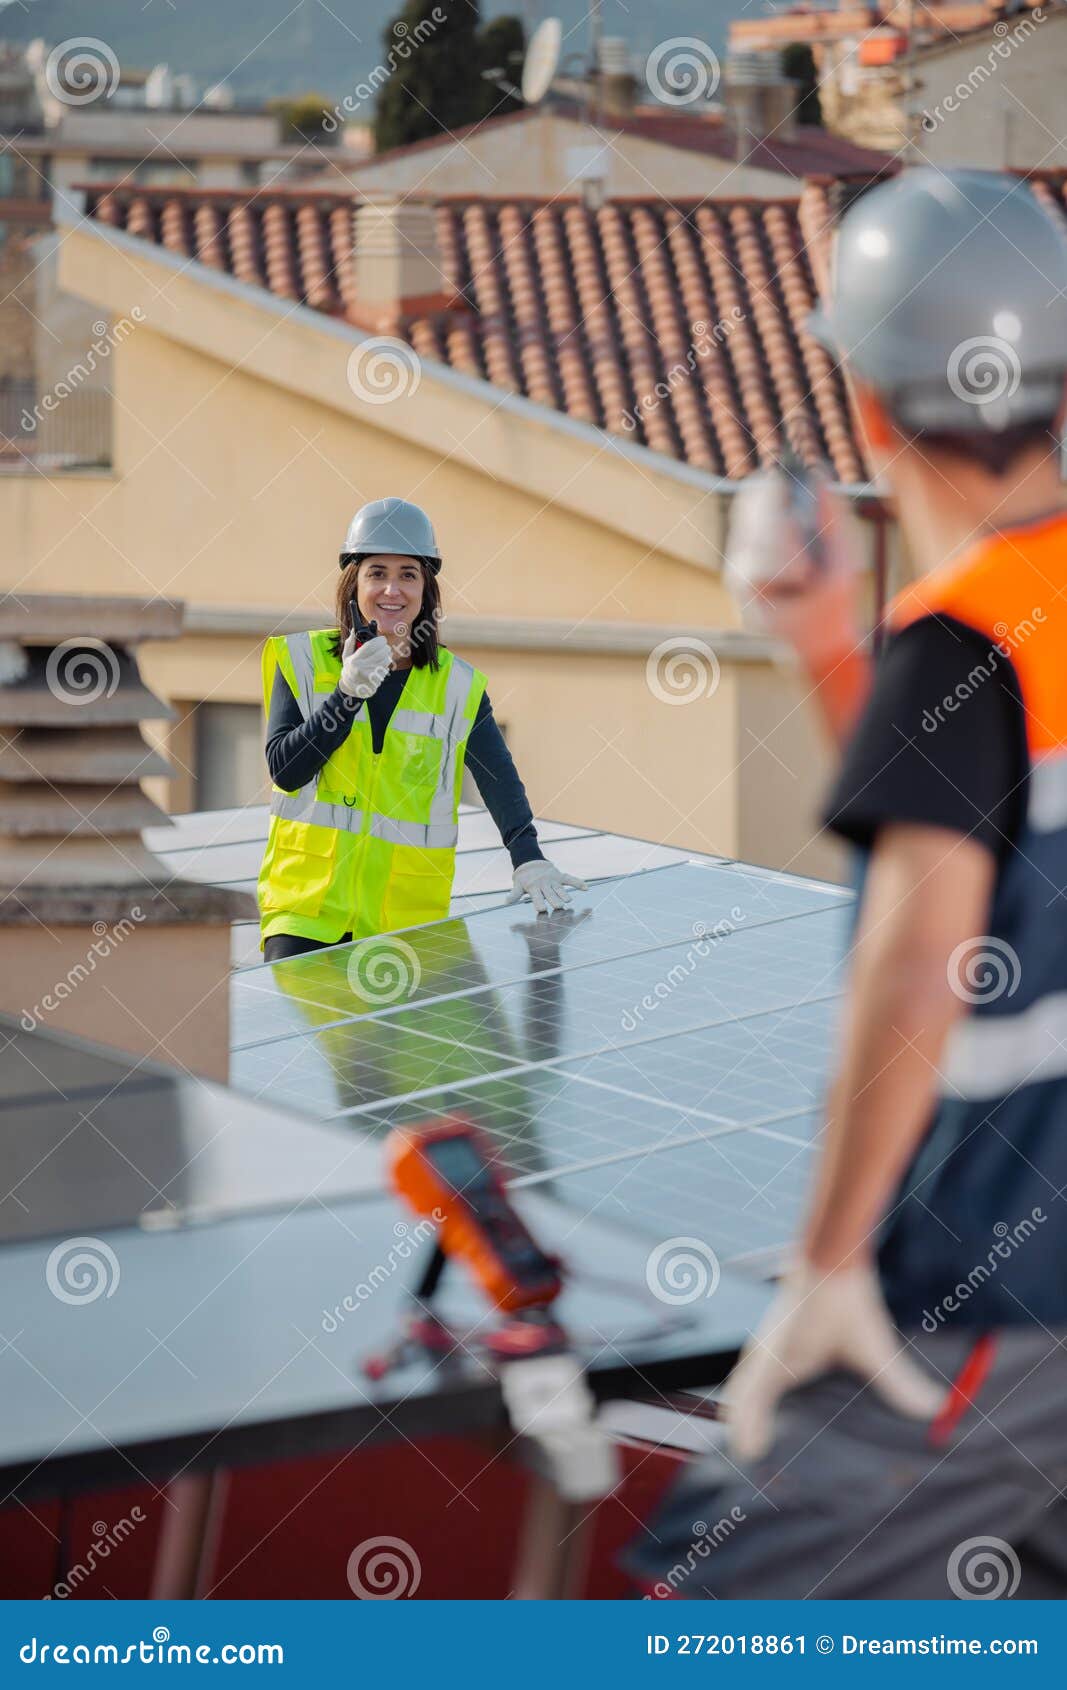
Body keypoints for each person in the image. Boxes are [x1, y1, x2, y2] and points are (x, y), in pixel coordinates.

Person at [627, 169, 1067, 1598]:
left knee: (706, 1609)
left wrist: (823, 1263)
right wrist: (824, 639)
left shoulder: (957, 645)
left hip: (975, 1308)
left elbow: (924, 945)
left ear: (867, 406)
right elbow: (971, 841)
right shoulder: (998, 641)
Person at [258, 497, 586, 960]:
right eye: (377, 573)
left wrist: (527, 856)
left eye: (407, 574)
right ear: (353, 585)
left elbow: (498, 778)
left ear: (426, 590)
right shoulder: (303, 661)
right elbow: (286, 770)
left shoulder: (456, 685)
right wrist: (347, 694)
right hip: (307, 915)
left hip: (407, 924)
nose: (392, 589)